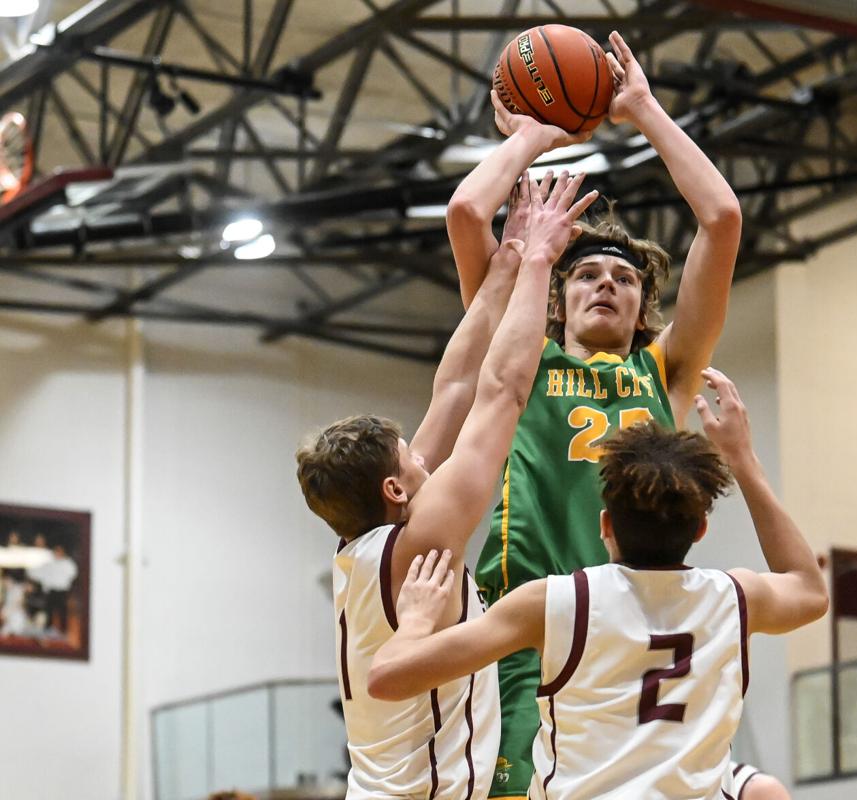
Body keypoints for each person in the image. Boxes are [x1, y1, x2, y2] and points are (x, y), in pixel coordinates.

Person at [448, 30, 742, 796]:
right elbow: (466, 215)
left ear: (647, 302)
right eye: (587, 275)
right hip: (525, 617)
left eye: (624, 277)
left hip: (629, 627)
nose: (606, 285)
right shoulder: (518, 359)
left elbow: (722, 220)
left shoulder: (665, 370)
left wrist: (643, 110)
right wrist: (535, 138)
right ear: (557, 294)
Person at [367, 367, 828, 799]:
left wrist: (414, 621)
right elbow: (810, 589)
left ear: (605, 525)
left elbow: (388, 678)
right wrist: (742, 459)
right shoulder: (737, 598)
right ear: (700, 530)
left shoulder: (557, 602)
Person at [295, 172, 597, 799]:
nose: (425, 459)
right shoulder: (424, 541)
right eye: (412, 459)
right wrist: (541, 262)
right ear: (395, 490)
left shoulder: (373, 543)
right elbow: (502, 392)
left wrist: (508, 261)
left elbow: (455, 388)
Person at [29, 543, 77, 635]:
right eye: (56, 551)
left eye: (60, 551)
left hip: (62, 591)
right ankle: (48, 629)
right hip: (51, 591)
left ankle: (64, 631)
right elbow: (36, 572)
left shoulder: (68, 563)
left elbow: (73, 574)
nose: (58, 553)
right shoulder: (49, 563)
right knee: (48, 611)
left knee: (63, 611)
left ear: (63, 552)